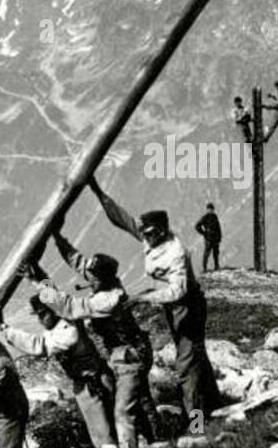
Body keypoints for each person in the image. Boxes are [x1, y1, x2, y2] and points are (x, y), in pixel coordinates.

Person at [89, 175, 221, 423]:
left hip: (188, 307)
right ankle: (215, 406)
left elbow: (177, 292)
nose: (144, 237)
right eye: (144, 233)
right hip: (175, 306)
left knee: (185, 367)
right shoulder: (152, 236)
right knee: (195, 356)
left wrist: (143, 297)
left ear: (161, 231)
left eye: (149, 233)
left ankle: (196, 427)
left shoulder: (176, 253)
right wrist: (99, 193)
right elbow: (124, 220)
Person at [34, 233, 158, 448]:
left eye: (92, 278)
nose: (87, 279)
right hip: (131, 353)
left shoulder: (105, 301)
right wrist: (58, 238)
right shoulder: (108, 282)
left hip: (129, 358)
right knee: (141, 402)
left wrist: (39, 281)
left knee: (123, 409)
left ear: (100, 280)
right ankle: (158, 441)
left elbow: (67, 307)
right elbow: (80, 263)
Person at [0, 296, 117, 448]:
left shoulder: (68, 330)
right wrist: (36, 277)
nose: (40, 320)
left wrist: (4, 328)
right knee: (101, 429)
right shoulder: (57, 327)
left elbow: (40, 347)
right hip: (86, 382)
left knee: (105, 431)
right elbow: (51, 291)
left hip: (93, 382)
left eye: (42, 314)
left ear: (54, 311)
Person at [195, 203, 222, 272]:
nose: (211, 210)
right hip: (208, 238)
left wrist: (219, 237)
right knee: (207, 253)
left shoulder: (215, 216)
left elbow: (218, 227)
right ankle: (204, 268)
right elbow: (197, 226)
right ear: (207, 209)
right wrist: (204, 233)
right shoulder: (205, 217)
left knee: (216, 253)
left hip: (215, 238)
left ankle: (216, 266)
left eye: (212, 209)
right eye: (210, 209)